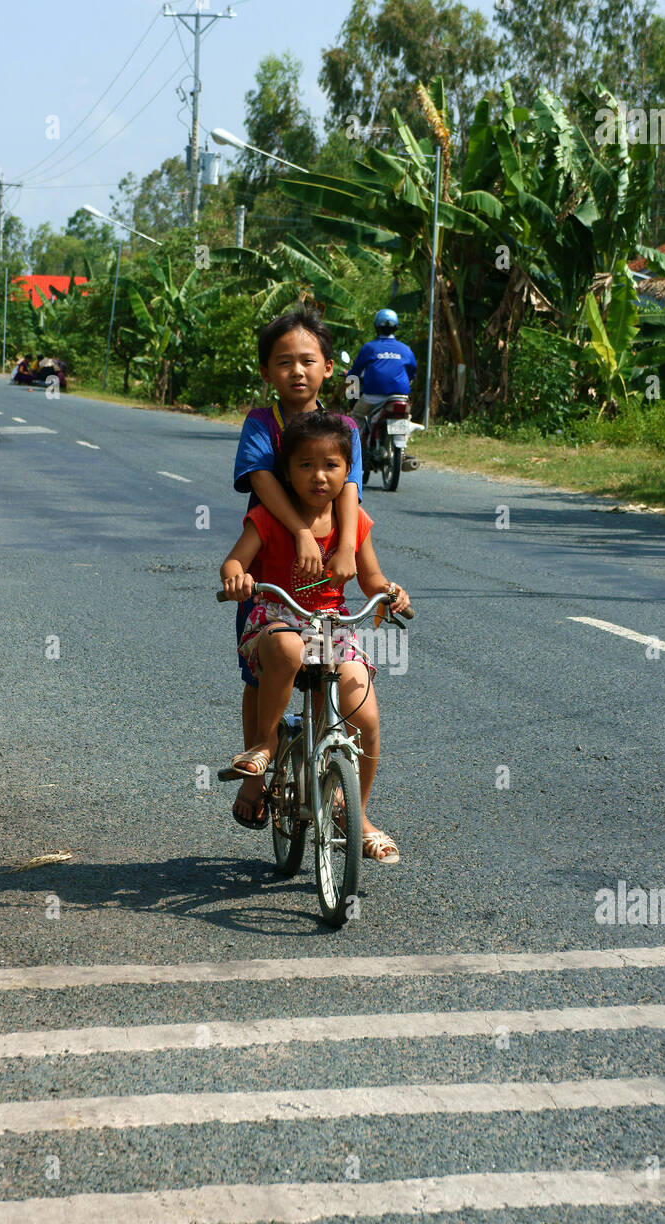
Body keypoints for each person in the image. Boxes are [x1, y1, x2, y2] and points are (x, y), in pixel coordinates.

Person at [220, 411, 410, 864]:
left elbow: (371, 579)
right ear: (286, 472)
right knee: (286, 647)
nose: (318, 476)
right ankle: (265, 743)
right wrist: (237, 580)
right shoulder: (267, 519)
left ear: (348, 473)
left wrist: (389, 593)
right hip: (275, 617)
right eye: (305, 465)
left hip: (331, 625)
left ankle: (358, 814)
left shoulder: (354, 524)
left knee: (363, 706)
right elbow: (234, 563)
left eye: (331, 466)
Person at [229, 305, 364, 829]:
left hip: (326, 569)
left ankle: (339, 783)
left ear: (329, 367)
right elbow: (262, 481)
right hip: (269, 564)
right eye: (283, 362)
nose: (298, 371)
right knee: (260, 673)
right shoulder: (262, 422)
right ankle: (255, 774)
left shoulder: (343, 426)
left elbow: (351, 488)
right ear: (267, 372)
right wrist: (302, 532)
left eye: (309, 360)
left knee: (337, 669)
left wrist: (346, 545)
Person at [345, 309, 417, 436]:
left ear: (376, 327)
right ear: (396, 327)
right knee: (405, 417)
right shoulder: (406, 349)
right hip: (400, 396)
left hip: (373, 396)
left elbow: (355, 372)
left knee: (357, 416)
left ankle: (355, 450)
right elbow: (412, 371)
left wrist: (349, 375)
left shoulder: (369, 348)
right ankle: (403, 446)